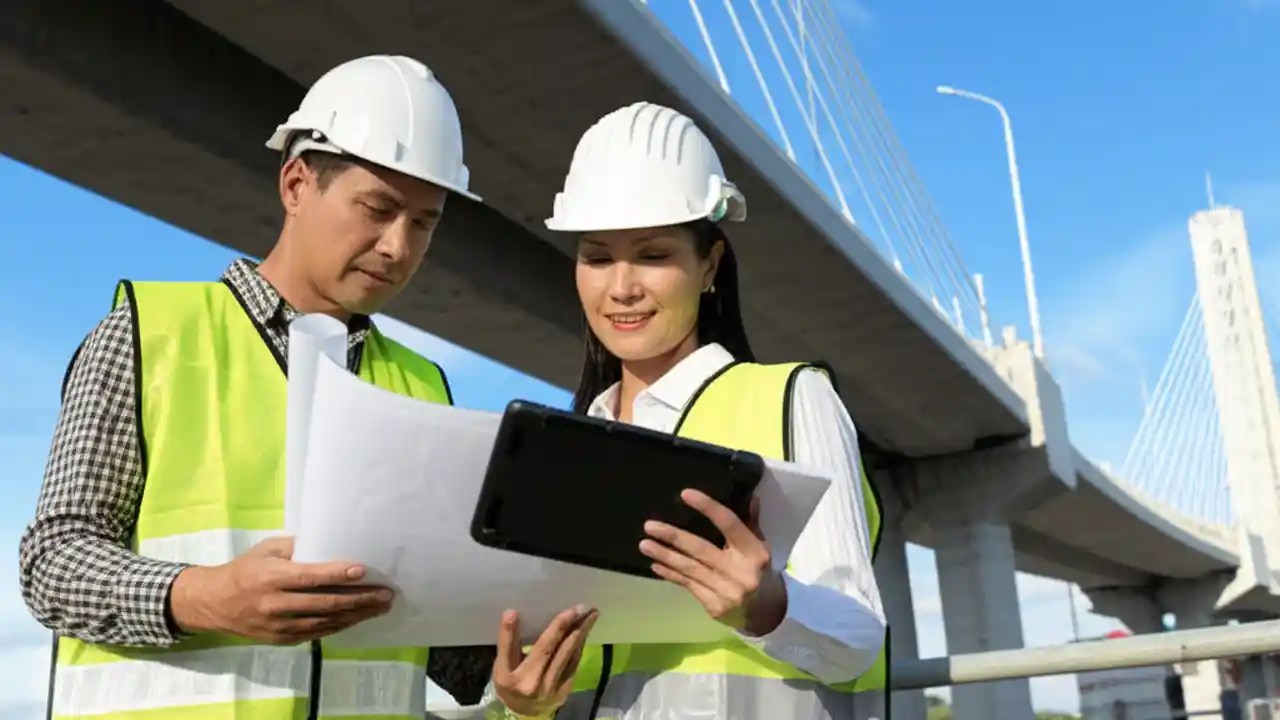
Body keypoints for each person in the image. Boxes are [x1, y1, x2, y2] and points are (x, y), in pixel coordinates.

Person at [18, 54, 590, 720]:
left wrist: (512, 679)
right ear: (295, 184)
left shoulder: (422, 385)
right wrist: (204, 596)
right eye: (376, 209)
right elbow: (53, 564)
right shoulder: (148, 337)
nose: (398, 247)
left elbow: (434, 638)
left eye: (424, 223)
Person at [489, 101, 889, 719]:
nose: (621, 287)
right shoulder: (568, 443)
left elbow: (859, 639)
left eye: (652, 255)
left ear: (710, 265)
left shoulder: (790, 397)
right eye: (596, 257)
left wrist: (766, 605)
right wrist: (523, 701)